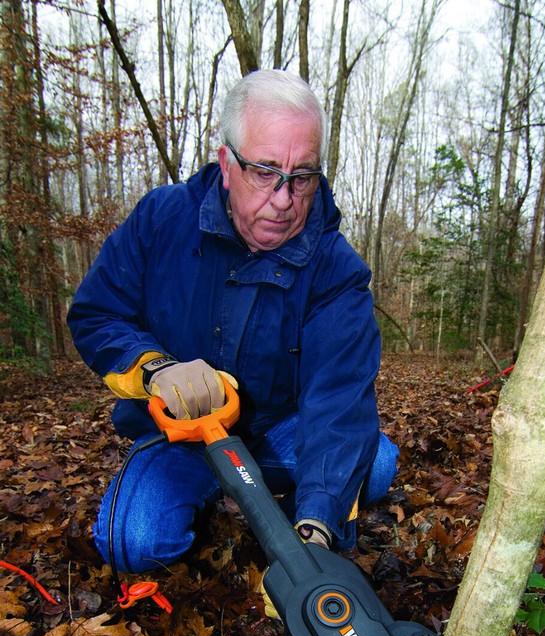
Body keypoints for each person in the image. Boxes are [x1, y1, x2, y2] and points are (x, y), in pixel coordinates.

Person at [67, 69, 399, 575]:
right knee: (132, 540)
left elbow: (339, 399)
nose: (284, 199)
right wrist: (156, 368)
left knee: (372, 463)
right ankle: (201, 501)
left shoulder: (335, 268)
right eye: (264, 172)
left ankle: (293, 508)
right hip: (180, 434)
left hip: (279, 433)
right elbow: (96, 314)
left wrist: (313, 540)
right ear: (226, 164)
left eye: (302, 176)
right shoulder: (161, 220)